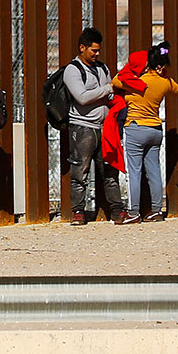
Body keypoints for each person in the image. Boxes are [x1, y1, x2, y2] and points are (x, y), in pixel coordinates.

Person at [61, 28, 121, 225]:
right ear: (82, 48)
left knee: (110, 171)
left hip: (105, 127)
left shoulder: (102, 68)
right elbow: (82, 97)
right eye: (93, 50)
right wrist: (107, 89)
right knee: (80, 172)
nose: (96, 54)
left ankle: (117, 210)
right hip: (82, 127)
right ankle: (78, 212)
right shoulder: (73, 70)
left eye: (98, 51)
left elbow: (108, 96)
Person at [115, 42, 178, 223]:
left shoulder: (138, 82)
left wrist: (134, 70)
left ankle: (133, 212)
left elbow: (115, 81)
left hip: (135, 127)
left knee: (134, 172)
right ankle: (157, 210)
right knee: (154, 170)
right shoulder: (165, 83)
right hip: (156, 129)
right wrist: (164, 76)